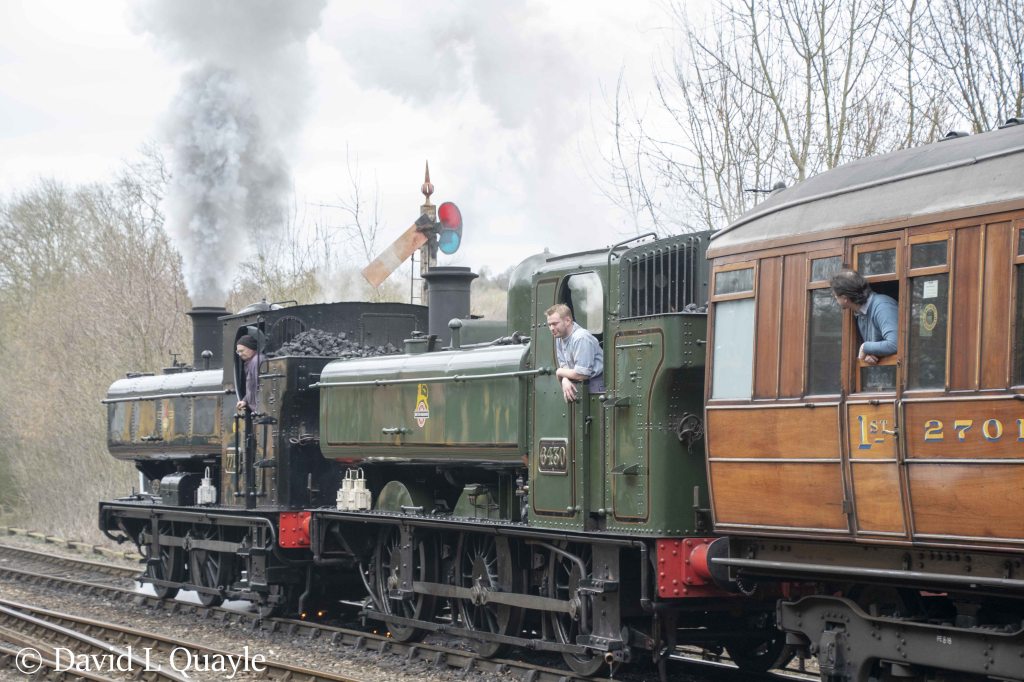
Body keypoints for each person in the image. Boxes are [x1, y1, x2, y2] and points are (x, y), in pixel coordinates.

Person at [830, 269, 898, 365]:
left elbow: (895, 344)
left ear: (845, 298)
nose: (835, 297)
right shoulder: (860, 313)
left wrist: (865, 347)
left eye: (835, 295)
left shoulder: (883, 306)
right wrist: (870, 354)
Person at [545, 304, 604, 402]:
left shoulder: (580, 337)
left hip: (597, 387)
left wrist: (559, 372)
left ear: (567, 321)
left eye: (555, 324)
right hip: (581, 384)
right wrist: (565, 380)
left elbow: (582, 374)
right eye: (549, 325)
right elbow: (564, 365)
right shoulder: (559, 337)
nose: (551, 328)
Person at [235, 335, 261, 412]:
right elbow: (252, 388)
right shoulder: (251, 362)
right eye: (238, 352)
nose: (240, 354)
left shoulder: (257, 362)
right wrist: (245, 401)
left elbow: (258, 387)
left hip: (258, 410)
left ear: (251, 348)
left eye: (242, 351)